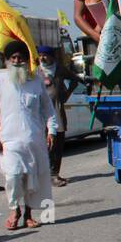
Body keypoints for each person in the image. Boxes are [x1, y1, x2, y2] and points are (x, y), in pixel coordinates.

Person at [0, 41, 59, 230]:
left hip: (34, 139)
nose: (17, 61)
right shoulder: (0, 81)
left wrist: (51, 130)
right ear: (7, 61)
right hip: (9, 141)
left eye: (20, 58)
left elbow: (48, 109)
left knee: (32, 180)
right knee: (13, 176)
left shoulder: (36, 81)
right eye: (13, 58)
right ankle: (14, 209)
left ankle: (27, 214)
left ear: (26, 60)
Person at [38, 45, 78, 187]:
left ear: (51, 56)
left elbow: (75, 79)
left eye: (45, 55)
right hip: (41, 113)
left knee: (58, 143)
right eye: (40, 55)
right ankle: (45, 174)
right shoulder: (36, 71)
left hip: (56, 110)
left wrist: (66, 94)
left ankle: (54, 173)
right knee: (44, 144)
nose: (42, 58)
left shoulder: (59, 69)